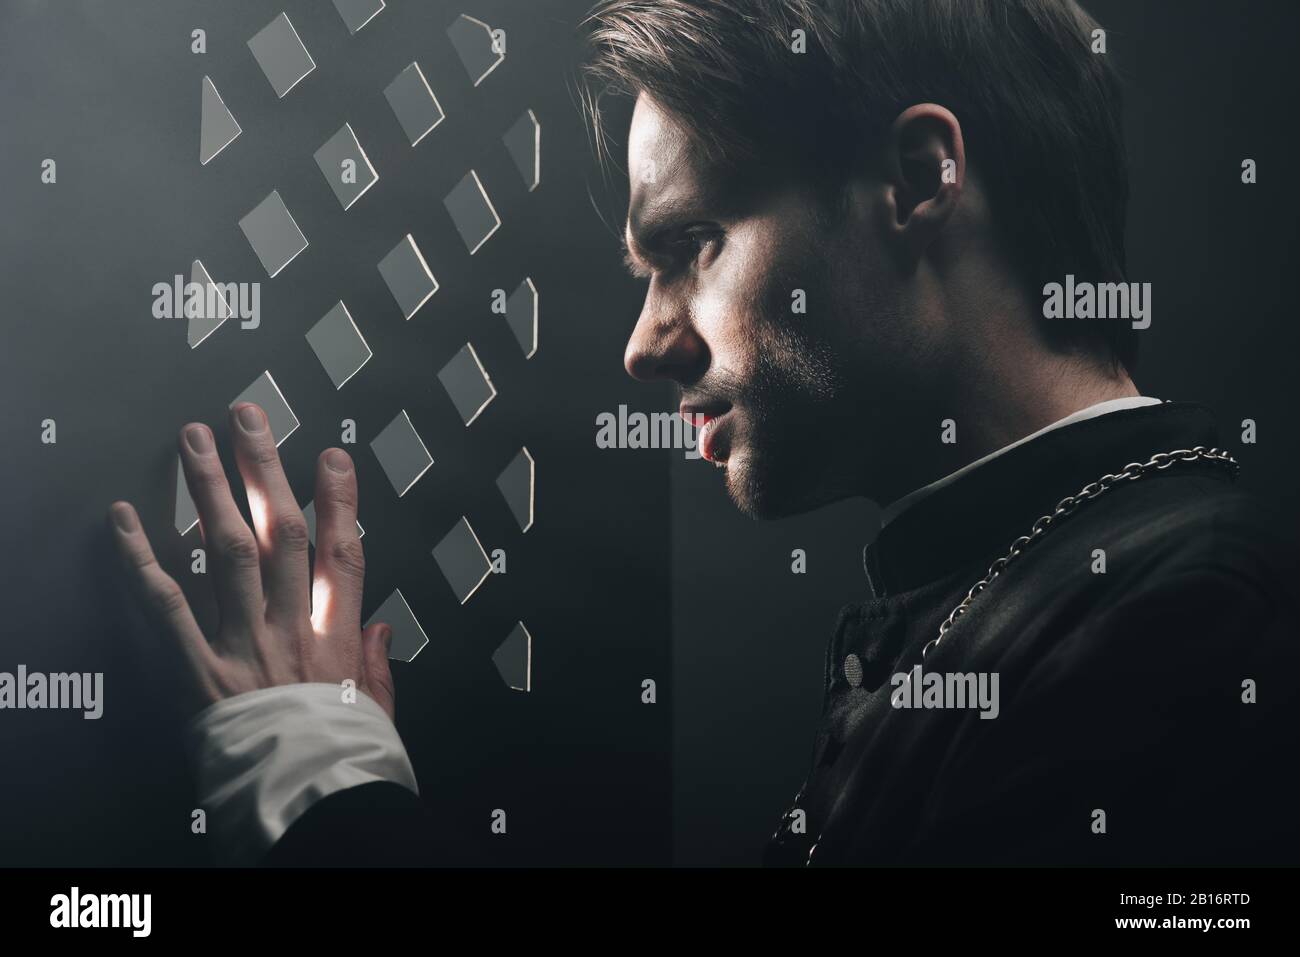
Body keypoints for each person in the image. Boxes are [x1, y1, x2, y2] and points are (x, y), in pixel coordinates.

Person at [109, 0, 1298, 866]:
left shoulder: (1192, 617)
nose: (641, 343)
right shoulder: (1047, 575)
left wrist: (320, 795)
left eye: (689, 246)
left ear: (919, 175)